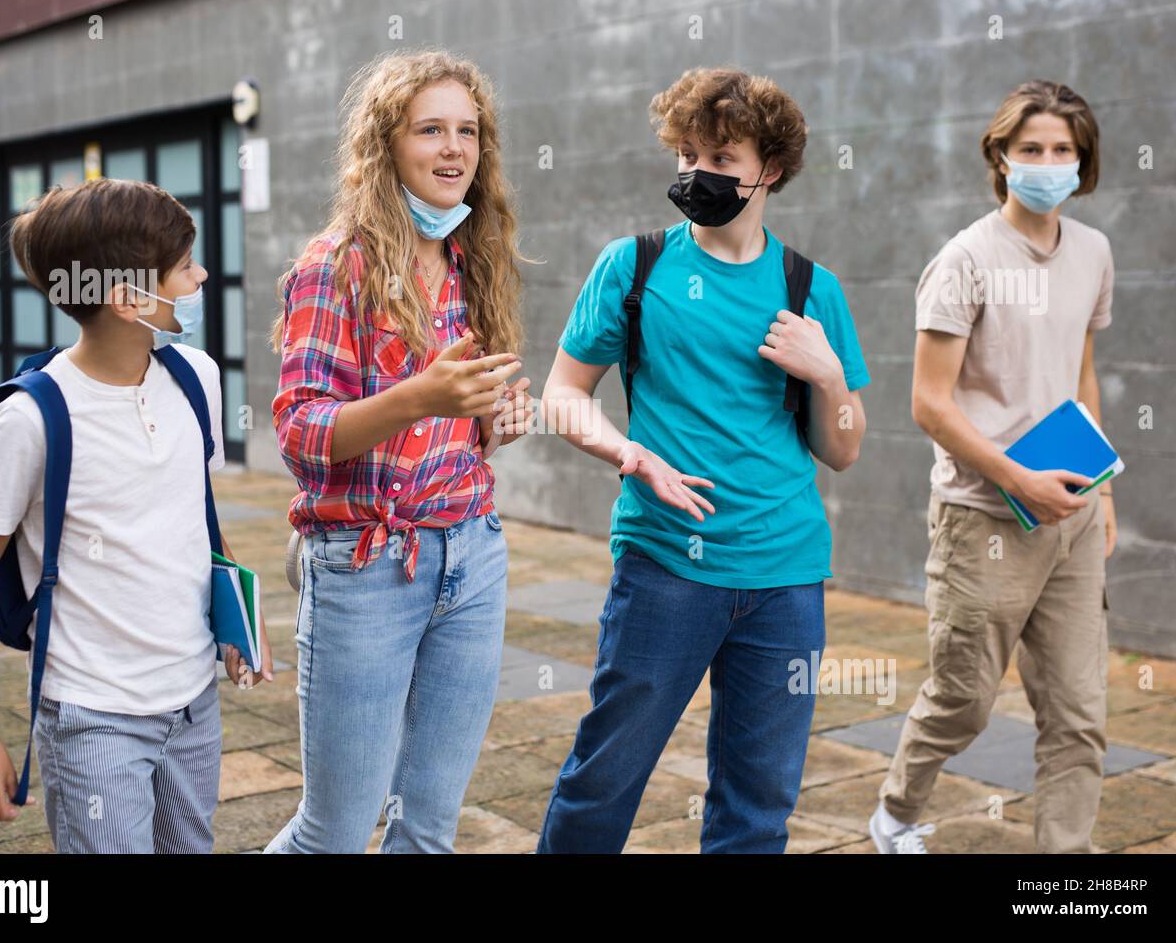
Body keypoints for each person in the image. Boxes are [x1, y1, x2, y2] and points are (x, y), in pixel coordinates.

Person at [537, 67, 870, 853]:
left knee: (758, 806)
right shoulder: (636, 267)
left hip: (785, 578)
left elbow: (845, 448)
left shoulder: (811, 289)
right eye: (687, 155)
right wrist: (629, 453)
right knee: (604, 779)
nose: (698, 175)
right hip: (664, 567)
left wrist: (825, 374)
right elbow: (560, 393)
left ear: (771, 170)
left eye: (721, 159)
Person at [0, 177, 269, 852]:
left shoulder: (195, 378)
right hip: (92, 718)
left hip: (192, 701)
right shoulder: (31, 419)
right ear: (126, 299)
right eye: (183, 266)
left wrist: (231, 617)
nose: (201, 275)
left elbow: (194, 517)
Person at [264, 50, 534, 854]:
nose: (455, 150)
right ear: (386, 145)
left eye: (468, 132)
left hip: (473, 554)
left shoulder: (468, 260)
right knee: (337, 834)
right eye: (430, 130)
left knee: (429, 829)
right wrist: (423, 395)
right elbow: (302, 435)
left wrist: (492, 419)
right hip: (366, 567)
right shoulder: (335, 265)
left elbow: (458, 416)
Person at [870, 79, 1116, 854]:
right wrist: (1018, 480)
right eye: (1031, 148)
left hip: (1071, 515)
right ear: (1001, 158)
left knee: (1079, 716)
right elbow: (929, 403)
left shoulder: (1093, 252)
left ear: (1083, 162)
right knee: (963, 701)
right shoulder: (965, 260)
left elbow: (1080, 369)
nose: (1048, 162)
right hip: (985, 519)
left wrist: (1102, 492)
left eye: (1063, 150)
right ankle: (895, 813)